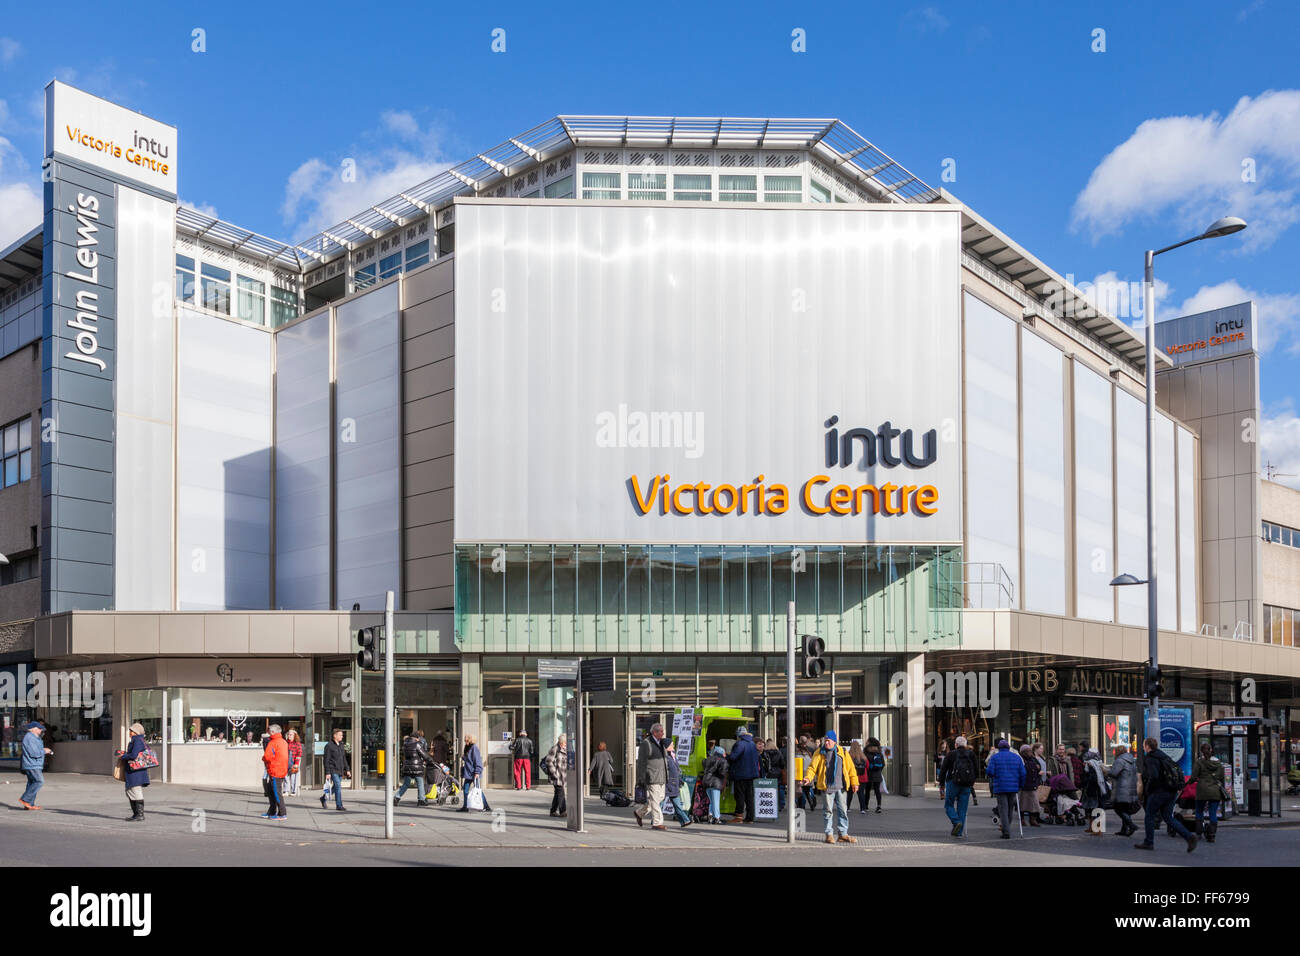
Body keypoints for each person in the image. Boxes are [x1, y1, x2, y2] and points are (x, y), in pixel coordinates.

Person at [1134, 737, 1196, 853]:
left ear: (1147, 746)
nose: (1143, 748)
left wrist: (1148, 790)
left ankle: (1148, 842)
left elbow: (1154, 775)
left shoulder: (1150, 758)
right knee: (1168, 817)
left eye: (1143, 745)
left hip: (1159, 791)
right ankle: (1189, 837)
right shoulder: (1164, 756)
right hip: (1171, 792)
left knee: (1149, 816)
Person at [801, 730, 859, 844]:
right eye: (825, 741)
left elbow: (851, 768)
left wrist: (854, 782)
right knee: (828, 811)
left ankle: (843, 834)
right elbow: (812, 767)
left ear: (834, 741)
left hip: (841, 786)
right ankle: (829, 834)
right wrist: (808, 777)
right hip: (827, 786)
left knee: (843, 811)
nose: (826, 743)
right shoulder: (819, 752)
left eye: (828, 741)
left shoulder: (842, 751)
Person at [937, 734, 978, 837]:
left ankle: (956, 822)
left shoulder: (951, 754)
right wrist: (972, 781)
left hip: (952, 783)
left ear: (956, 745)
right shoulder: (971, 754)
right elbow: (976, 770)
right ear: (965, 745)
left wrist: (941, 784)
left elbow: (943, 770)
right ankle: (959, 832)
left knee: (948, 805)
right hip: (967, 785)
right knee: (962, 809)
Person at [985, 738, 1025, 839]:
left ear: (998, 748)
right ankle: (1007, 827)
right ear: (1008, 747)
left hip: (1000, 786)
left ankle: (1006, 831)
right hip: (1013, 787)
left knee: (1003, 809)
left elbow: (989, 771)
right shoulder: (1016, 757)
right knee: (1010, 809)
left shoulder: (995, 757)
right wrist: (1020, 784)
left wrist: (994, 776)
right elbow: (1023, 773)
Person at [633, 722, 669, 830]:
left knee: (659, 798)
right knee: (655, 800)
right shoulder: (646, 743)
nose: (663, 733)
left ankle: (639, 813)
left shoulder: (661, 743)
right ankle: (657, 823)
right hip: (652, 776)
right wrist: (641, 778)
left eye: (663, 731)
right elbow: (642, 762)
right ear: (654, 732)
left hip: (662, 776)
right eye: (661, 731)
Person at [1191, 742, 1227, 843]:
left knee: (1199, 811)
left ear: (1201, 751)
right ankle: (1212, 835)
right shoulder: (1218, 763)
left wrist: (1188, 783)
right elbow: (1221, 776)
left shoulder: (1199, 762)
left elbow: (1194, 777)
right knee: (1213, 813)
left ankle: (1198, 833)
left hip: (1201, 790)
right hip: (1214, 790)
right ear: (1211, 750)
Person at [727, 725, 761, 824]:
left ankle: (739, 816)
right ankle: (750, 818)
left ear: (739, 735)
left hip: (741, 773)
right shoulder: (752, 743)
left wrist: (727, 756)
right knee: (749, 796)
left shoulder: (740, 744)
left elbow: (733, 757)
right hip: (751, 774)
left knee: (740, 795)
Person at [120, 722, 152, 822]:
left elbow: (133, 755)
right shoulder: (137, 740)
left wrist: (124, 756)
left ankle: (140, 815)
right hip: (133, 771)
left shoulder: (137, 740)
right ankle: (135, 814)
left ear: (136, 732)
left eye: (131, 731)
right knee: (129, 791)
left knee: (136, 790)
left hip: (136, 771)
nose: (129, 732)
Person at [1107, 743, 1138, 837]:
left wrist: (1107, 770)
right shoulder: (1131, 760)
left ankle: (1131, 825)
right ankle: (1124, 830)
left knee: (1118, 809)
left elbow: (1114, 773)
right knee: (1125, 809)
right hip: (1131, 787)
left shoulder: (1120, 760)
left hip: (1122, 788)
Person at [18, 722, 51, 810]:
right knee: (39, 781)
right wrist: (45, 751)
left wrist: (43, 749)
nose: (41, 730)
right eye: (39, 728)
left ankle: (29, 804)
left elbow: (35, 750)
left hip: (34, 764)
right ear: (33, 729)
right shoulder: (30, 738)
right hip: (32, 764)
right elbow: (34, 753)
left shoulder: (35, 738)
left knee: (32, 783)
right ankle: (25, 799)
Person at [261, 723, 290, 820]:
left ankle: (282, 813)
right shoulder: (283, 741)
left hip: (275, 770)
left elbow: (267, 756)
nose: (268, 733)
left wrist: (263, 759)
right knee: (271, 790)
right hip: (280, 769)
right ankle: (272, 811)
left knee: (276, 793)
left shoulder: (273, 742)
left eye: (269, 731)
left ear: (272, 732)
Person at [457, 733, 491, 813]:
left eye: (467, 739)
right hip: (468, 773)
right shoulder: (467, 747)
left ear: (471, 739)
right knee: (465, 790)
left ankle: (486, 806)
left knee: (478, 790)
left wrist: (477, 772)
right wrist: (463, 757)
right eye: (465, 739)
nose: (465, 741)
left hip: (474, 773)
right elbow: (469, 759)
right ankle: (465, 806)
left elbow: (478, 761)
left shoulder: (474, 748)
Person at [395, 729, 429, 807]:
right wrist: (431, 760)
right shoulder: (417, 744)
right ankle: (421, 799)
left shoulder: (406, 744)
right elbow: (424, 754)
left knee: (406, 784)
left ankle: (397, 797)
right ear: (416, 738)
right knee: (420, 783)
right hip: (416, 768)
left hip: (407, 767)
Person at [663, 741, 693, 828]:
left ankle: (685, 821)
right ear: (666, 746)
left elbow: (676, 769)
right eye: (671, 744)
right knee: (659, 804)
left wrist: (679, 780)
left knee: (677, 804)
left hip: (673, 784)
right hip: (667, 784)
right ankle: (651, 819)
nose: (673, 745)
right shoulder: (665, 757)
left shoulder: (672, 755)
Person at [321, 728, 350, 811]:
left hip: (340, 769)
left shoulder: (341, 745)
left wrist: (347, 769)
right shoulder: (329, 746)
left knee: (335, 788)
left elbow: (343, 758)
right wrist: (327, 772)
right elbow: (326, 760)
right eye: (340, 735)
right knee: (338, 786)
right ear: (335, 735)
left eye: (342, 735)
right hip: (332, 769)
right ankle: (339, 805)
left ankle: (323, 798)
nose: (342, 736)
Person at [701, 745, 729, 824]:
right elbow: (723, 772)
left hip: (706, 782)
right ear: (721, 753)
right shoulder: (723, 761)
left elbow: (703, 764)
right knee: (716, 801)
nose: (725, 755)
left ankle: (710, 816)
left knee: (711, 801)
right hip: (716, 782)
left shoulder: (707, 759)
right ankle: (717, 818)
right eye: (724, 753)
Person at [1081, 748, 1110, 818]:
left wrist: (1085, 782)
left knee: (1092, 805)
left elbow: (1091, 777)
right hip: (1100, 787)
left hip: (1092, 788)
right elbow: (1105, 777)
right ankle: (1097, 818)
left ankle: (1094, 820)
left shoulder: (1089, 764)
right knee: (1099, 804)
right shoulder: (1100, 763)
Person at [1018, 744, 1042, 827]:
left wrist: (1037, 769)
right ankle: (1022, 820)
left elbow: (1039, 768)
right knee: (1022, 804)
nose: (1029, 752)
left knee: (1034, 803)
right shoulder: (1020, 759)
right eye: (1027, 751)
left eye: (1029, 750)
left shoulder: (1033, 759)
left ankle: (1033, 819)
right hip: (1024, 785)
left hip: (1033, 784)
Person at [544, 734, 568, 817]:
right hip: (557, 776)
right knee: (561, 793)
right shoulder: (555, 749)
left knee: (558, 793)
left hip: (563, 776)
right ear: (561, 742)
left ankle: (553, 811)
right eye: (565, 743)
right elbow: (548, 761)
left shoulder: (565, 749)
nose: (566, 744)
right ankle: (563, 811)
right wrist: (554, 773)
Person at [863, 738, 886, 812]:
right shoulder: (879, 753)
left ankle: (866, 806)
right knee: (877, 791)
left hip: (869, 774)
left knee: (867, 790)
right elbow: (883, 764)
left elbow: (865, 764)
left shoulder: (866, 752)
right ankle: (879, 806)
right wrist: (879, 771)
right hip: (877, 775)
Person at [848, 740, 869, 813]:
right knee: (861, 793)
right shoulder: (863, 756)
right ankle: (862, 809)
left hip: (852, 777)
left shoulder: (849, 755)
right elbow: (867, 766)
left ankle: (847, 807)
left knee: (849, 793)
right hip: (863, 777)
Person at [285, 729, 303, 797]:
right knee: (286, 777)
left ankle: (293, 791)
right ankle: (286, 790)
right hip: (286, 762)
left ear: (294, 735)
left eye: (290, 734)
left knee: (293, 777)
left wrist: (296, 763)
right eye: (288, 734)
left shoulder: (297, 744)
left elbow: (299, 754)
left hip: (293, 762)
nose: (289, 736)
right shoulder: (286, 743)